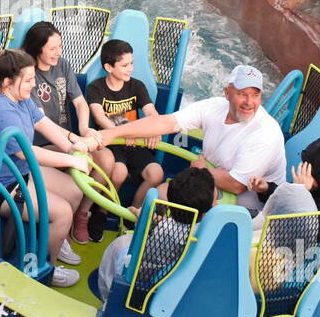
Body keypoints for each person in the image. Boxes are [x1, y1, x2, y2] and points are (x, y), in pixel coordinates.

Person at [0, 49, 99, 287]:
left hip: (22, 171)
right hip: (3, 185)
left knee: (74, 189)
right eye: (29, 80)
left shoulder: (20, 98)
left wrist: (73, 145)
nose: (34, 85)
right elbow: (26, 152)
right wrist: (72, 161)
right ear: (7, 82)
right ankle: (44, 269)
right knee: (62, 212)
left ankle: (57, 237)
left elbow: (44, 123)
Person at [106, 65, 286, 217]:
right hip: (212, 186)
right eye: (242, 94)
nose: (249, 102)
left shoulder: (265, 133)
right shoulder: (214, 107)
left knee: (181, 212)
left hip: (246, 211)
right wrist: (113, 133)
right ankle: (145, 237)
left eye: (255, 95)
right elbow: (167, 122)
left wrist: (201, 169)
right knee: (158, 195)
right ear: (227, 93)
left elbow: (237, 185)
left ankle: (163, 242)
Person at [21, 21, 115, 240]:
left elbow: (80, 102)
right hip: (44, 142)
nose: (58, 53)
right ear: (37, 48)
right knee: (87, 159)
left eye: (60, 47)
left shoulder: (62, 65)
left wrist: (84, 129)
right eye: (52, 48)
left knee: (107, 159)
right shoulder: (28, 76)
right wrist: (74, 141)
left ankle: (82, 214)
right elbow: (40, 120)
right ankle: (65, 221)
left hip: (71, 137)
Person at [97, 166, 215, 304]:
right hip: (181, 281)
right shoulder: (208, 228)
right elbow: (178, 228)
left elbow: (166, 229)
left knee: (120, 243)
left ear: (170, 201)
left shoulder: (164, 230)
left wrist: (144, 216)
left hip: (147, 279)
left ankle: (108, 299)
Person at [85, 40, 166, 239]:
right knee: (119, 173)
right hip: (112, 143)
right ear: (108, 67)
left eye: (131, 63)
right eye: (125, 65)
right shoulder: (95, 88)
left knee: (156, 174)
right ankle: (101, 211)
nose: (130, 68)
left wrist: (156, 128)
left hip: (134, 143)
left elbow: (150, 111)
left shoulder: (137, 86)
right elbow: (99, 117)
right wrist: (122, 133)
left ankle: (134, 212)